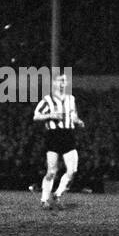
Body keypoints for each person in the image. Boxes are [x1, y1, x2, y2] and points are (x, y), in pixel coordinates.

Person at [32, 72, 84, 210]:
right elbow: (36, 116)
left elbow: (73, 114)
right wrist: (51, 115)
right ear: (54, 83)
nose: (62, 84)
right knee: (51, 171)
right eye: (60, 81)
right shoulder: (47, 100)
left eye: (64, 81)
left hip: (68, 135)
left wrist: (77, 121)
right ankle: (44, 199)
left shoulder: (70, 99)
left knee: (72, 170)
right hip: (53, 135)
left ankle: (58, 194)